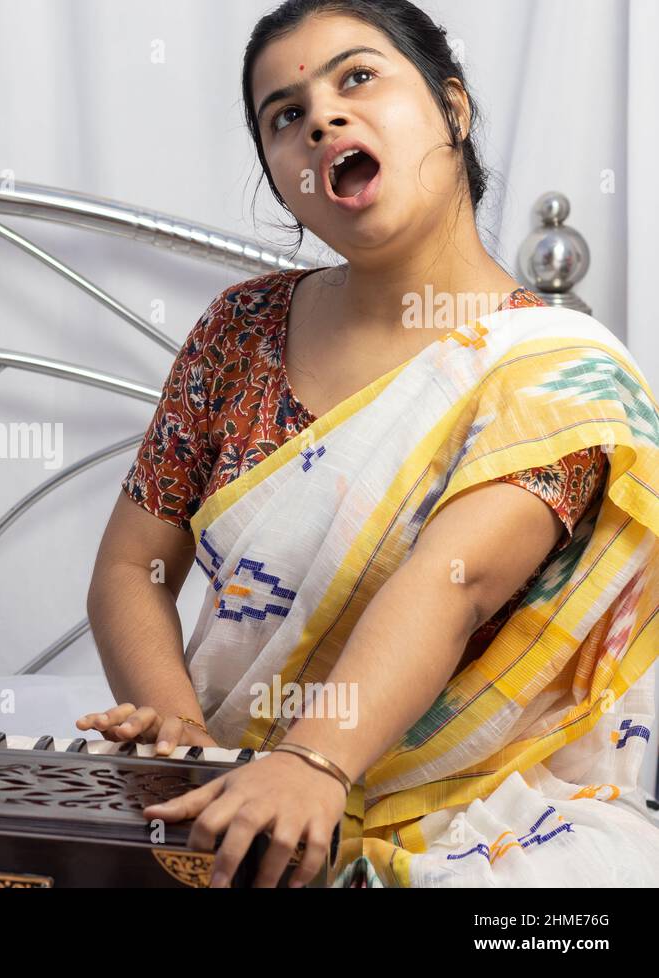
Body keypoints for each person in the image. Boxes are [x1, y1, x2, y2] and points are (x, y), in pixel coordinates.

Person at [79, 0, 659, 887]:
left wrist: (312, 764)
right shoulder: (239, 330)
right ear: (282, 180)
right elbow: (131, 568)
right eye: (285, 115)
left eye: (358, 77)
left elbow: (451, 586)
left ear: (453, 111)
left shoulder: (557, 373)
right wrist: (186, 744)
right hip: (229, 802)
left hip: (480, 813)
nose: (321, 117)